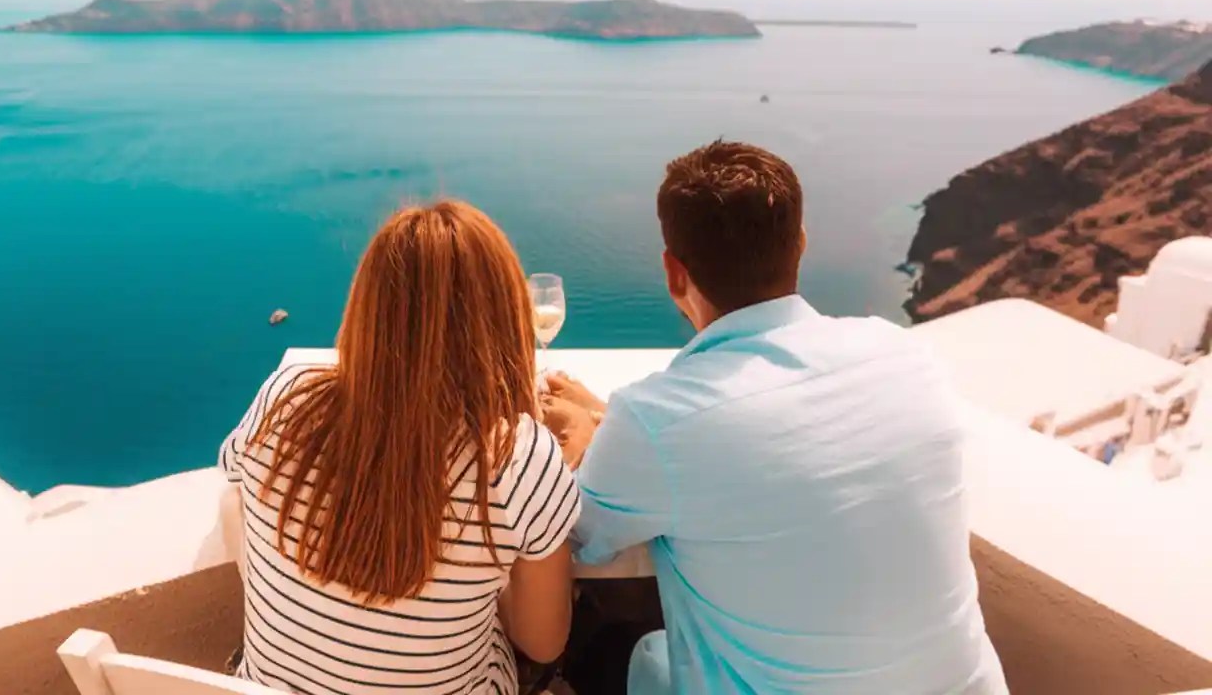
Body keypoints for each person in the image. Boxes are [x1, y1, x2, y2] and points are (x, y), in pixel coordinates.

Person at [546, 141, 1008, 694]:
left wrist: (580, 440)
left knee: (635, 653)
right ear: (800, 245)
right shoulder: (905, 355)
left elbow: (576, 533)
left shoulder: (657, 421)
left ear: (674, 274)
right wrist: (610, 424)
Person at [219, 201, 582, 695]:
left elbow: (234, 486)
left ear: (368, 308)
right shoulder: (514, 459)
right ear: (502, 319)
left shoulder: (285, 396)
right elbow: (543, 643)